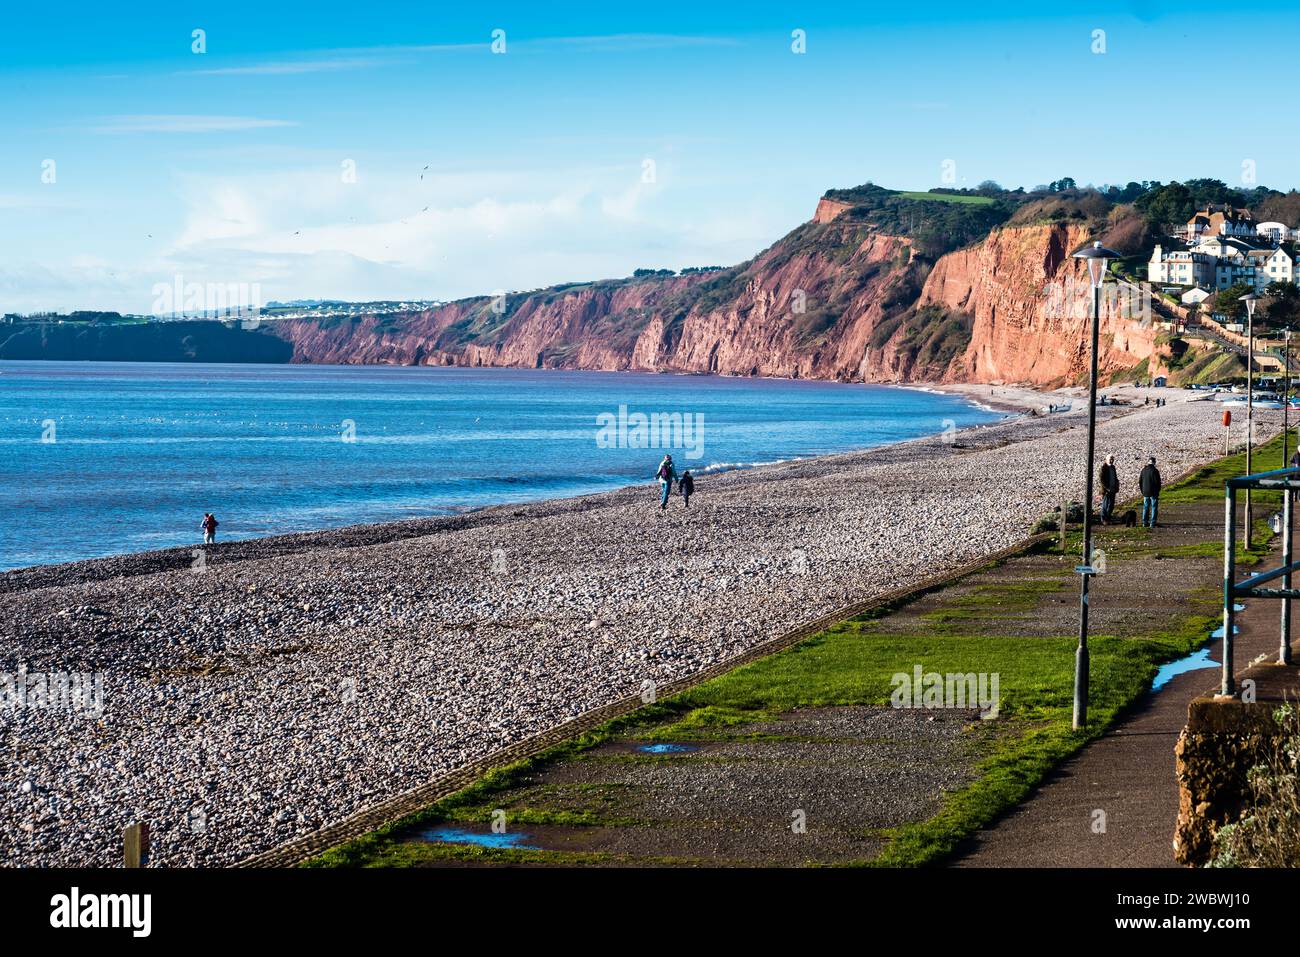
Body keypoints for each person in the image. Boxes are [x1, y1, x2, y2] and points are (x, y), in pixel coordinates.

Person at [1139, 458, 1162, 528]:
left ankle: (1144, 522)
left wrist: (1142, 490)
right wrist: (1158, 491)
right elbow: (1158, 483)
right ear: (1154, 462)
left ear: (1148, 462)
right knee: (1154, 507)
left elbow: (1140, 481)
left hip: (1145, 492)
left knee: (1145, 507)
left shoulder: (1143, 470)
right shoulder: (1155, 471)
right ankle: (1152, 523)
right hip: (1153, 492)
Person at [1099, 454, 1120, 524]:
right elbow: (1101, 480)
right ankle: (1103, 519)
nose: (1111, 461)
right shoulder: (1103, 467)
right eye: (1110, 459)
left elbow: (1115, 477)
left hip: (1113, 489)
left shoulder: (1113, 467)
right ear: (1106, 459)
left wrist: (1117, 484)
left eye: (1112, 459)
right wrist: (1107, 488)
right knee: (1105, 505)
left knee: (1111, 505)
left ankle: (1108, 518)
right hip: (1106, 490)